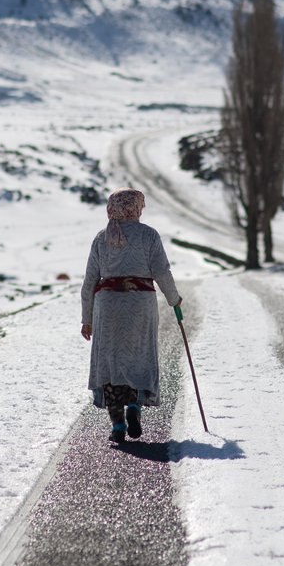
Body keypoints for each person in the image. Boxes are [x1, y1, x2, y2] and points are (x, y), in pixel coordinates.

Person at [80, 188, 182, 444]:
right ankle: (134, 406)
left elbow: (90, 281)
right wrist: (174, 300)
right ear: (135, 207)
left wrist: (87, 318)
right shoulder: (149, 235)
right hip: (140, 303)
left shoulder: (101, 238)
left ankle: (117, 425)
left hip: (107, 307)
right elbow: (162, 271)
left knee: (111, 361)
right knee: (139, 355)